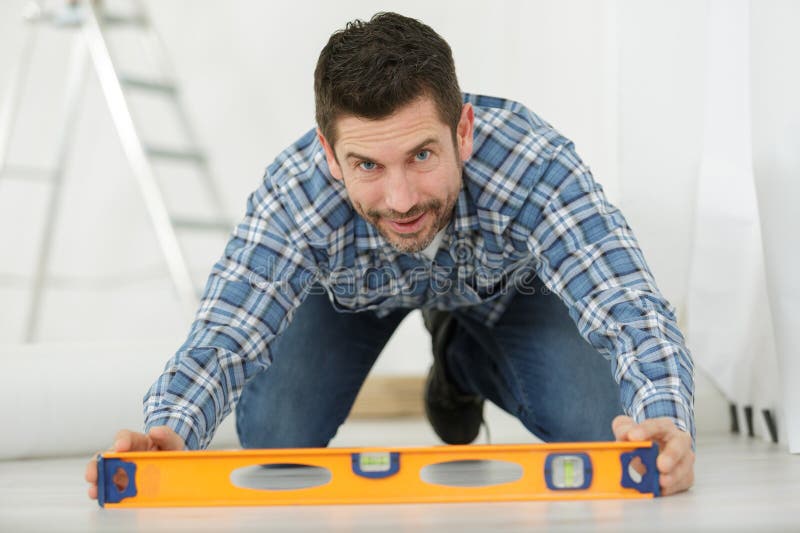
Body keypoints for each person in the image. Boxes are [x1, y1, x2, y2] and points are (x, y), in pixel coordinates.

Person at [86, 12, 695, 498]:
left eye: (422, 156)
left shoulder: (533, 164)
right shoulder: (295, 194)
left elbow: (628, 306)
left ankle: (459, 364)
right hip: (347, 303)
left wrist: (666, 420)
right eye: (368, 166)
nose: (401, 200)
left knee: (607, 433)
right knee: (275, 441)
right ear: (330, 156)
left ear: (464, 131)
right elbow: (227, 329)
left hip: (503, 298)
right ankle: (448, 350)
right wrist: (170, 430)